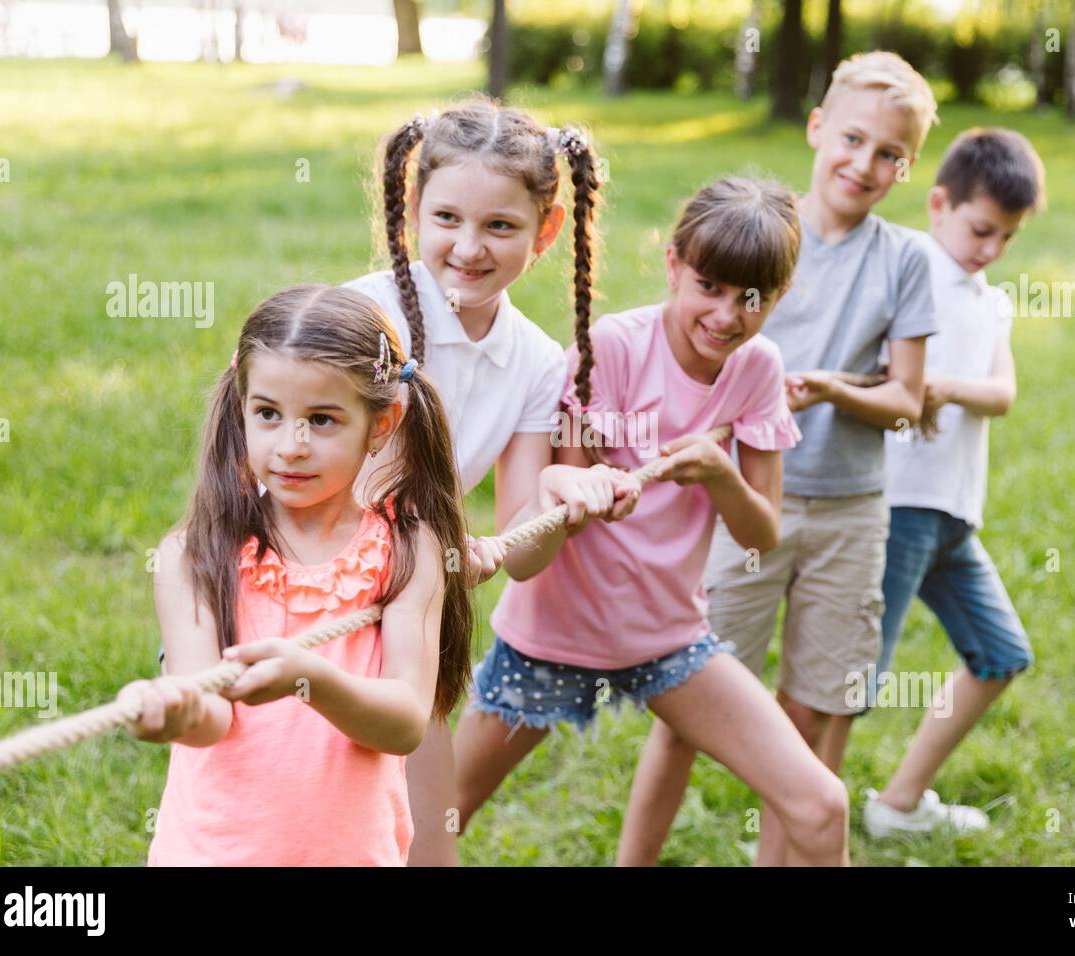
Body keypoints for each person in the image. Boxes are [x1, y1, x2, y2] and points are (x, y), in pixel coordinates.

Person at [454, 178, 851, 866]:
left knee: (822, 804)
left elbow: (762, 534)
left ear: (778, 297)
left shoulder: (757, 369)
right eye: (711, 287)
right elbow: (556, 519)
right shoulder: (610, 347)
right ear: (674, 266)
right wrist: (585, 488)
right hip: (552, 636)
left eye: (751, 297)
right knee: (432, 816)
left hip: (668, 639)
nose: (727, 315)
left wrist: (719, 473)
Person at [619, 51, 940, 866]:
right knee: (690, 710)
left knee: (810, 714)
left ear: (907, 167)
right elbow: (690, 347)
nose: (864, 164)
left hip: (848, 511)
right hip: (744, 505)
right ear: (817, 127)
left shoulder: (903, 260)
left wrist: (831, 389)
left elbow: (907, 399)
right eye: (853, 139)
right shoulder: (756, 233)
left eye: (889, 154)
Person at [342, 99, 635, 865]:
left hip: (414, 621)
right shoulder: (360, 317)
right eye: (447, 218)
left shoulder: (538, 364)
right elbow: (312, 482)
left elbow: (524, 551)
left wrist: (567, 499)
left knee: (426, 841)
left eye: (500, 226)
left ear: (546, 231)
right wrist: (441, 542)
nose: (469, 248)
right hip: (312, 603)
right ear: (412, 212)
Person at [121, 285, 470, 865]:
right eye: (268, 414)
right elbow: (209, 715)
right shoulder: (197, 554)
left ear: (381, 424)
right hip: (212, 854)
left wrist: (311, 680)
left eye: (323, 420)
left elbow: (407, 720)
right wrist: (175, 710)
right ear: (242, 407)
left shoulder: (407, 550)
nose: (291, 446)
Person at [863, 127, 1045, 837]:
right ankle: (794, 819)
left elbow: (1002, 393)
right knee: (852, 683)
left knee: (1001, 655)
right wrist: (916, 387)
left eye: (1007, 238)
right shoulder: (909, 274)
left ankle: (898, 804)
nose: (991, 250)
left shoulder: (988, 298)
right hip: (900, 506)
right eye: (981, 229)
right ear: (939, 203)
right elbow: (877, 373)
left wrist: (942, 387)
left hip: (953, 516)